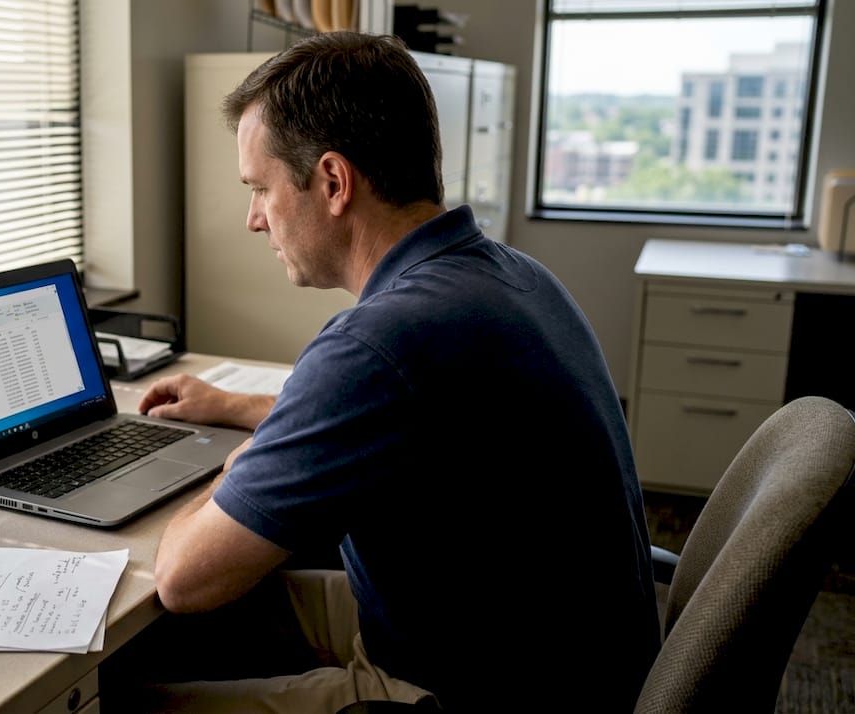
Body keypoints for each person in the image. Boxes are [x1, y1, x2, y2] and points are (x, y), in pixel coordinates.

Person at [110, 31, 659, 713]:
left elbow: (182, 578)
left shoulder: (379, 342)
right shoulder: (510, 277)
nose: (254, 219)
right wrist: (237, 408)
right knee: (177, 634)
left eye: (260, 188)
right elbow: (424, 411)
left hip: (472, 689)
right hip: (545, 648)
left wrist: (246, 461)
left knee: (126, 696)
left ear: (334, 183)